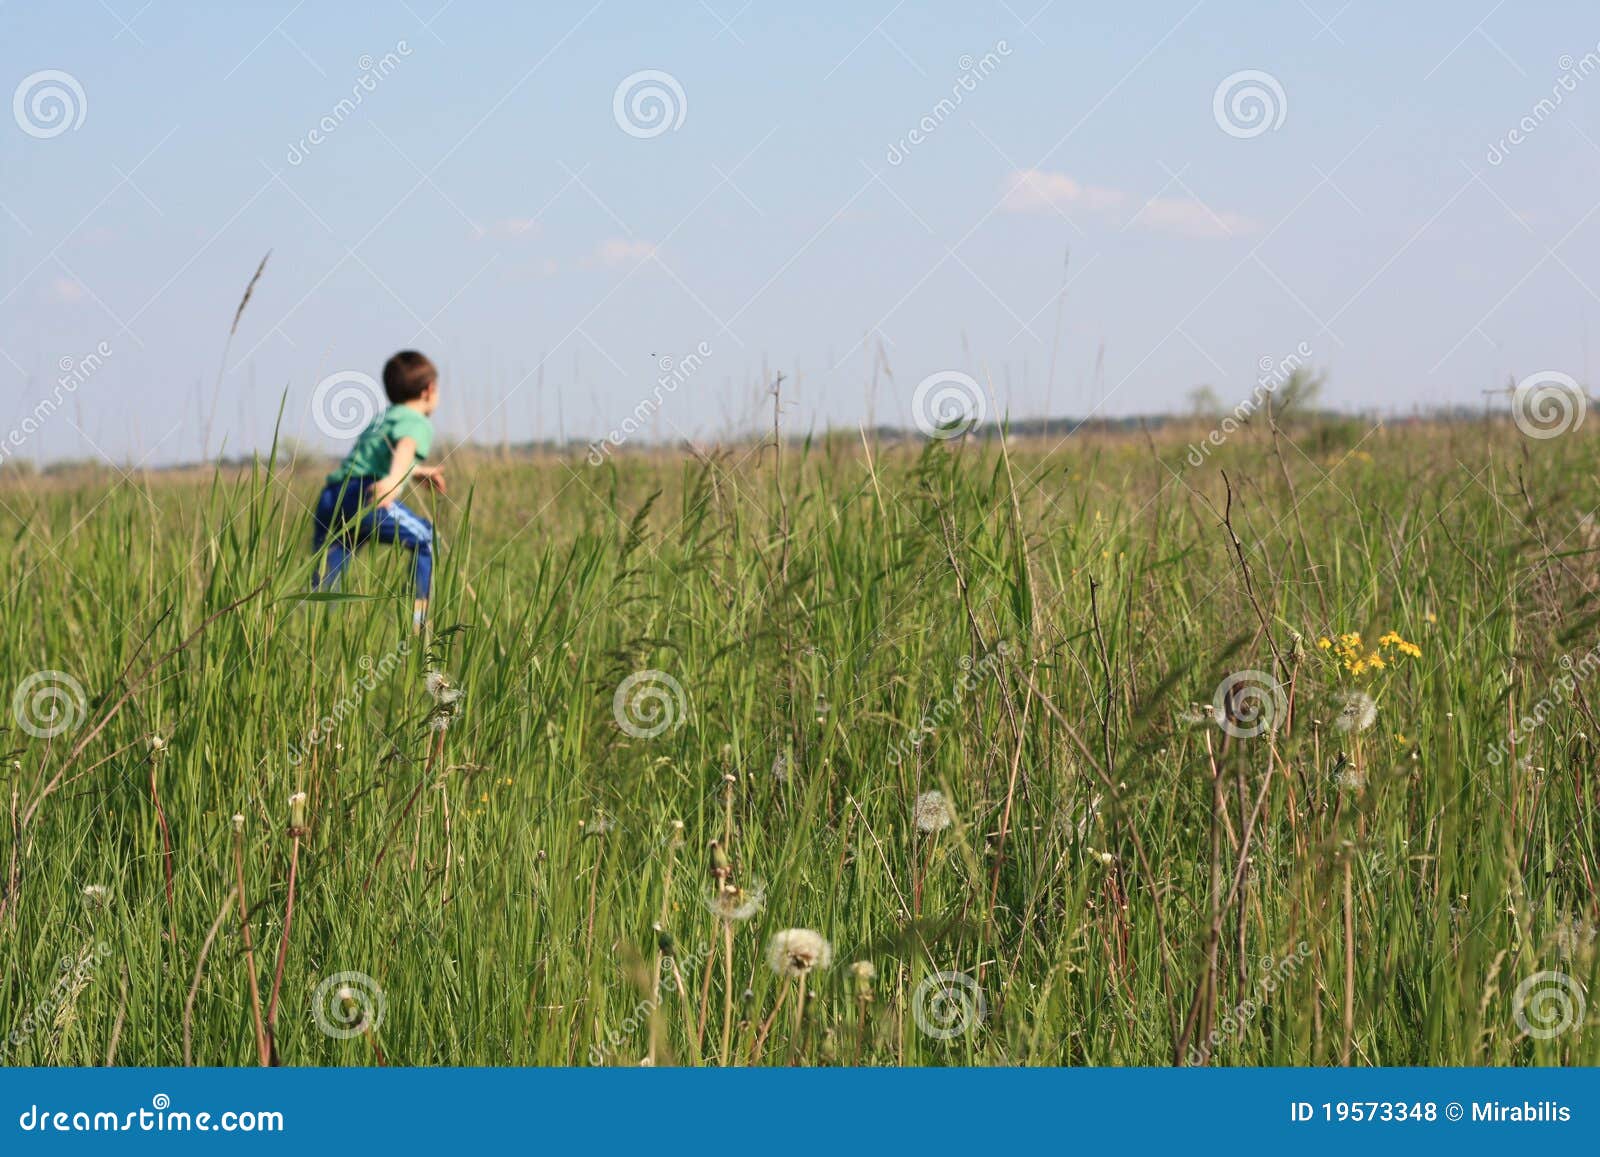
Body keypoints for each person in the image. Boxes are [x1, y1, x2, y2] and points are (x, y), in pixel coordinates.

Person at [311, 350, 446, 625]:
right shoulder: (417, 420)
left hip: (333, 496)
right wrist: (396, 482)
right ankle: (419, 624)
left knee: (328, 576)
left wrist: (414, 472)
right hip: (366, 495)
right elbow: (406, 446)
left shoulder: (384, 417)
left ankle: (314, 630)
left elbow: (372, 458)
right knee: (427, 540)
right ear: (429, 390)